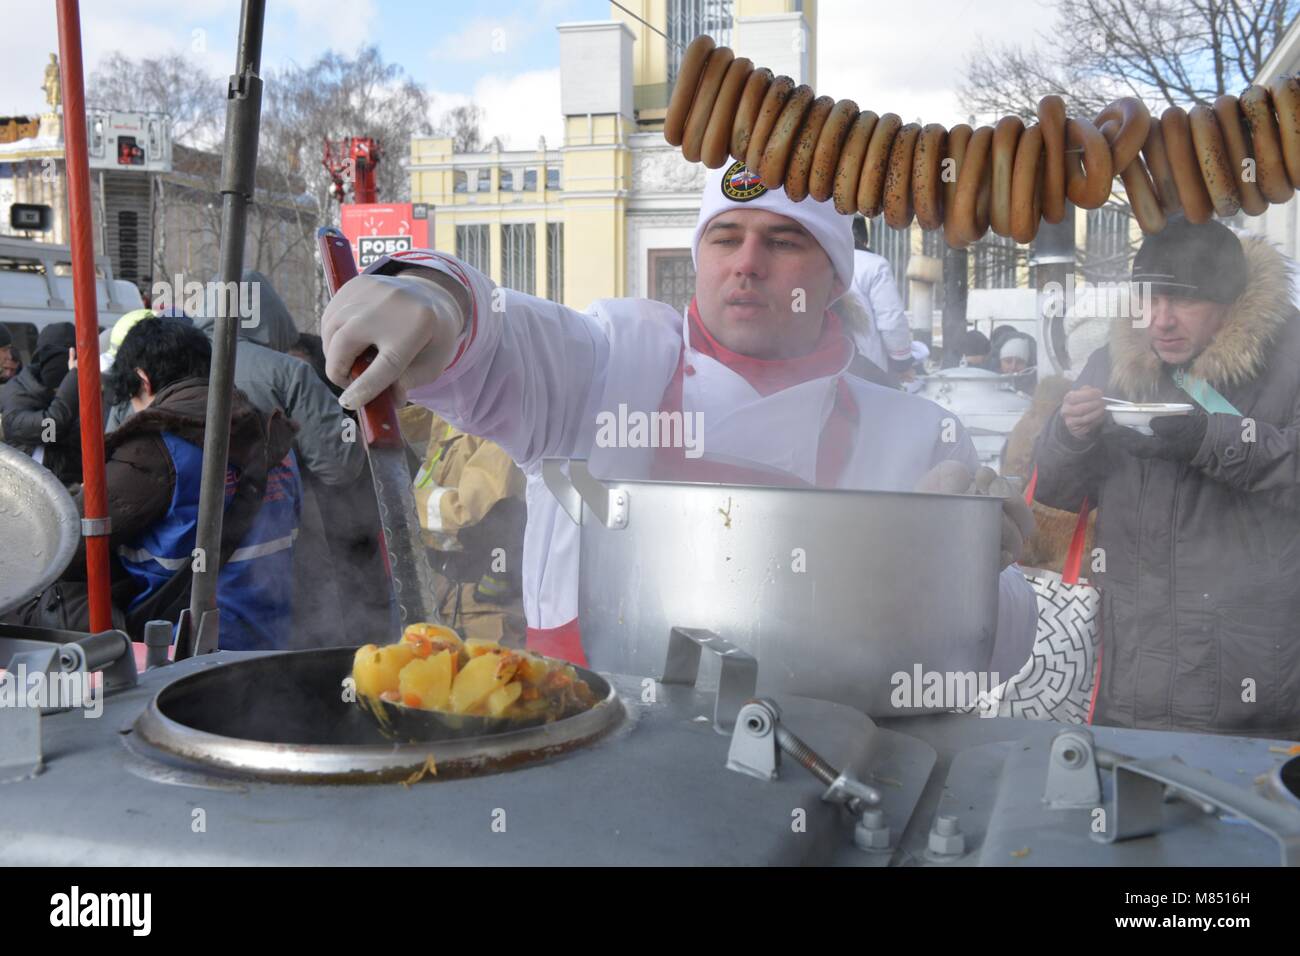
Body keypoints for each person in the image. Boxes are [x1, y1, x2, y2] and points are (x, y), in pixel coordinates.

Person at [320, 158, 1038, 673]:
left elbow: (995, 656)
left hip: (822, 776)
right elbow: (502, 343)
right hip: (597, 758)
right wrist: (436, 294)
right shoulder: (609, 368)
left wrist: (966, 562)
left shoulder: (913, 435)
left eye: (784, 241)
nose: (747, 262)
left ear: (835, 278)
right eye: (725, 238)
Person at [1033, 216, 1300, 736]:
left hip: (1250, 681)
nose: (1161, 321)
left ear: (1231, 302)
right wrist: (1070, 435)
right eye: (1149, 300)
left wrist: (1210, 441)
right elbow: (1054, 493)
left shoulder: (1289, 363)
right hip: (1128, 671)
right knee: (1128, 806)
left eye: (1183, 302)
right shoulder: (1111, 362)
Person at [79, 319, 301, 648]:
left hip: (185, 647)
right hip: (277, 633)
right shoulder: (271, 431)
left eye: (133, 398)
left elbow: (76, 540)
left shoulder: (154, 448)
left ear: (143, 379)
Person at [0, 322, 82, 485]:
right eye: (4, 349)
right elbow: (50, 430)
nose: (9, 356)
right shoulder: (16, 396)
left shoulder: (47, 391)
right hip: (30, 496)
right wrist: (74, 378)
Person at [848, 215, 914, 374]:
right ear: (864, 240)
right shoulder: (873, 265)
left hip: (819, 370)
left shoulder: (815, 261)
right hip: (866, 369)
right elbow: (891, 320)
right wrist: (902, 364)